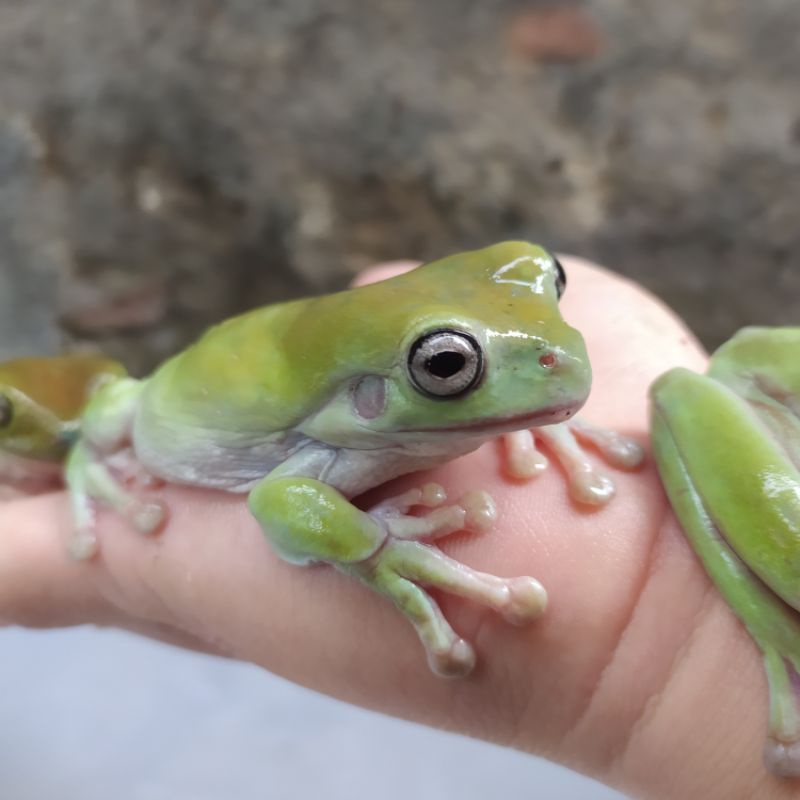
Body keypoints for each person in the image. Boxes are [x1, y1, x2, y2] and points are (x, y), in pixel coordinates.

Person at [0, 256, 781, 799]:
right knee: (108, 419)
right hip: (169, 413)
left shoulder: (419, 380)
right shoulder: (339, 427)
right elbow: (282, 507)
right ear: (374, 396)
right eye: (448, 367)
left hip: (291, 358)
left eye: (548, 283)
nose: (564, 349)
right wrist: (375, 545)